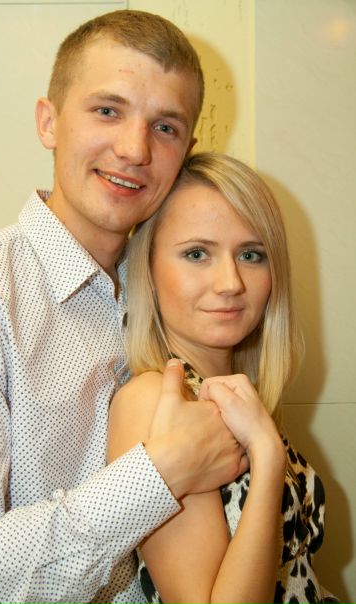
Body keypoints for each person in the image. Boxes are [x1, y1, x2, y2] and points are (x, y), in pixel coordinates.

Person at [0, 11, 247, 604]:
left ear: (187, 151)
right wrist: (160, 473)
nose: (134, 149)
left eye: (165, 127)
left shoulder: (181, 287)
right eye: (108, 110)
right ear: (49, 121)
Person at [107, 152, 327, 604]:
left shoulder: (234, 391)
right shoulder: (156, 402)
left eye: (251, 255)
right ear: (147, 268)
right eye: (197, 254)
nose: (231, 282)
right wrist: (267, 452)